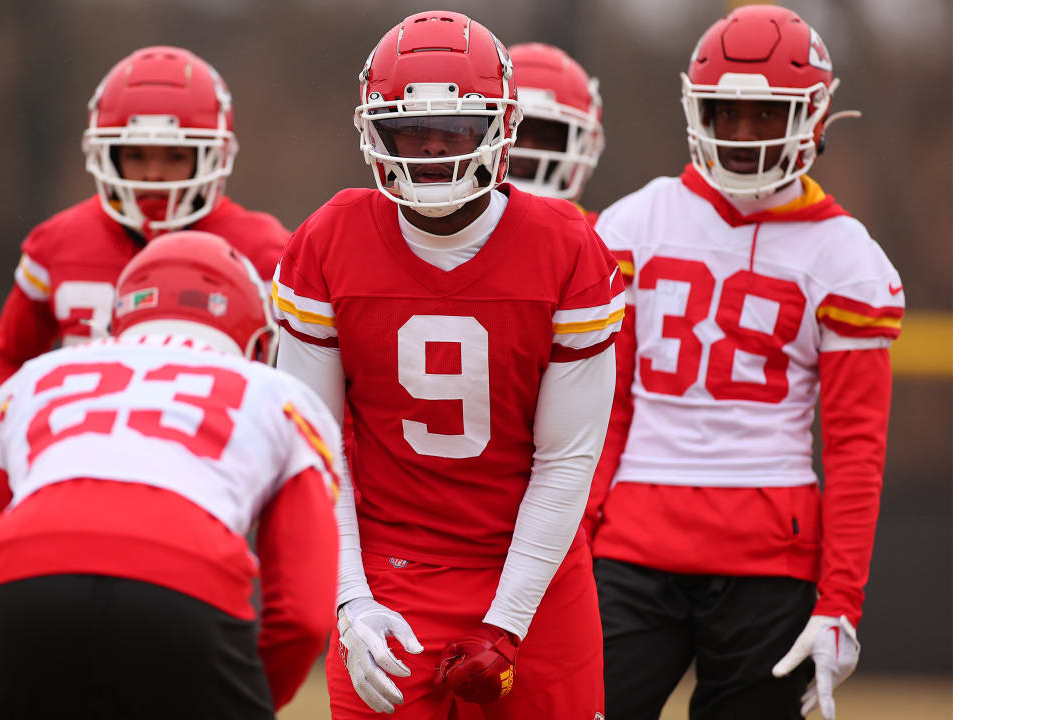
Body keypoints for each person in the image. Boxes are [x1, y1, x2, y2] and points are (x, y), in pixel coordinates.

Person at [271, 10, 624, 719]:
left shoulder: (567, 248)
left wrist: (508, 623)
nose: (432, 152)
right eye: (411, 131)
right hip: (390, 576)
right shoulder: (327, 242)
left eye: (455, 131)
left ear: (499, 129)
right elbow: (314, 451)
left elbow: (566, 462)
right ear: (375, 131)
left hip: (538, 577)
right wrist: (351, 602)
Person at [587, 5, 903, 720]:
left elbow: (856, 448)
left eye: (766, 116)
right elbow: (608, 408)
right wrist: (579, 537)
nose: (742, 136)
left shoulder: (846, 257)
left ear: (814, 117)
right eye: (726, 113)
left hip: (769, 556)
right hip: (634, 545)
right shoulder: (636, 222)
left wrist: (841, 600)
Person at [0, 232, 341, 718]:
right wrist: (248, 697)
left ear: (117, 322)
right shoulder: (282, 396)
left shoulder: (33, 378)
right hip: (187, 594)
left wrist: (10, 665)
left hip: (22, 591)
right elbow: (302, 616)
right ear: (257, 339)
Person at [0, 45, 290, 389]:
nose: (153, 174)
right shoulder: (57, 243)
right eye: (136, 155)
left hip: (214, 437)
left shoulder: (269, 252)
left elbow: (303, 378)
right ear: (110, 155)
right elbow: (11, 354)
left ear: (211, 156)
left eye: (175, 156)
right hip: (90, 437)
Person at [504, 42, 605, 222]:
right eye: (516, 130)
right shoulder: (446, 230)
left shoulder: (605, 236)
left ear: (580, 143)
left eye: (546, 137)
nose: (528, 147)